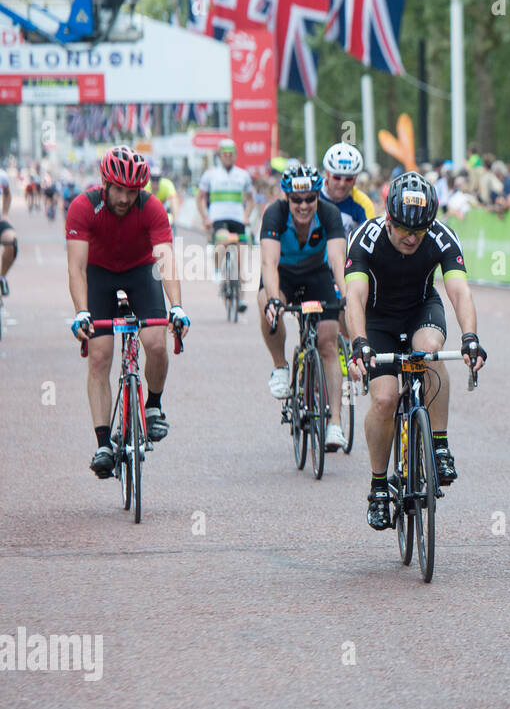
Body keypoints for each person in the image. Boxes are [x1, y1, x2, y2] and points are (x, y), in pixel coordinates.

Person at [344, 172, 485, 529]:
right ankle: (378, 487)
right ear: (388, 219)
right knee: (384, 399)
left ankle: (439, 445)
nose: (411, 237)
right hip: (377, 320)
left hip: (421, 309)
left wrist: (470, 337)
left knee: (429, 352)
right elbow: (355, 297)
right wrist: (359, 342)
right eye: (404, 229)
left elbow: (459, 291)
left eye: (418, 231)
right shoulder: (365, 238)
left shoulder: (440, 235)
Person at [67, 147, 190, 477]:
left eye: (131, 191)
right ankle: (104, 443)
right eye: (118, 189)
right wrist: (81, 313)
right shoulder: (82, 207)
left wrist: (176, 306)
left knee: (156, 343)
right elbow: (77, 268)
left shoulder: (151, 208)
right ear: (104, 183)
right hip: (99, 273)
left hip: (140, 271)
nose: (124, 198)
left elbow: (165, 256)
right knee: (100, 355)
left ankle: (152, 407)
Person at [258, 164, 350, 453]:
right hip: (282, 275)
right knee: (266, 304)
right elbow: (269, 264)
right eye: (296, 199)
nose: (303, 205)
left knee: (328, 343)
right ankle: (280, 367)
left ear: (317, 196)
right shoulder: (275, 213)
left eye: (310, 198)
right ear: (287, 197)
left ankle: (335, 422)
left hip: (316, 276)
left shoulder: (328, 213)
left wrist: (345, 295)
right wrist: (275, 299)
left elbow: (337, 260)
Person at [196, 138, 254, 311]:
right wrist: (205, 217)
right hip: (218, 218)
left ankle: (241, 298)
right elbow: (199, 198)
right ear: (220, 156)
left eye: (231, 154)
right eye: (225, 154)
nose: (228, 157)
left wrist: (247, 216)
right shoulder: (210, 174)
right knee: (221, 244)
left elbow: (251, 200)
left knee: (241, 259)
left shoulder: (243, 175)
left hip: (237, 219)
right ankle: (217, 271)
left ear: (235, 156)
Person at [320, 142, 375, 239]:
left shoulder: (363, 203)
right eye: (337, 177)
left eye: (349, 179)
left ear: (355, 178)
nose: (342, 184)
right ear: (327, 174)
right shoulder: (313, 196)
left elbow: (370, 242)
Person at [0, 166, 14, 297]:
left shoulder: (2, 176)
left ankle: (2, 277)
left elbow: (8, 194)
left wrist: (4, 213)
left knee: (12, 242)